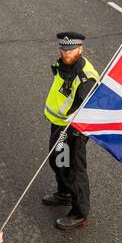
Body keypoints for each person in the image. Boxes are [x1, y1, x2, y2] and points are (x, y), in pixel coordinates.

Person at [43, 31, 97, 230]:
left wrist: (77, 131)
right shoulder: (63, 65)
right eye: (63, 48)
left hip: (73, 129)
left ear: (80, 49)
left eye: (70, 49)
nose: (66, 52)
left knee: (75, 170)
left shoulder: (85, 76)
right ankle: (64, 193)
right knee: (58, 160)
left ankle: (79, 213)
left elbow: (89, 108)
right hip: (59, 122)